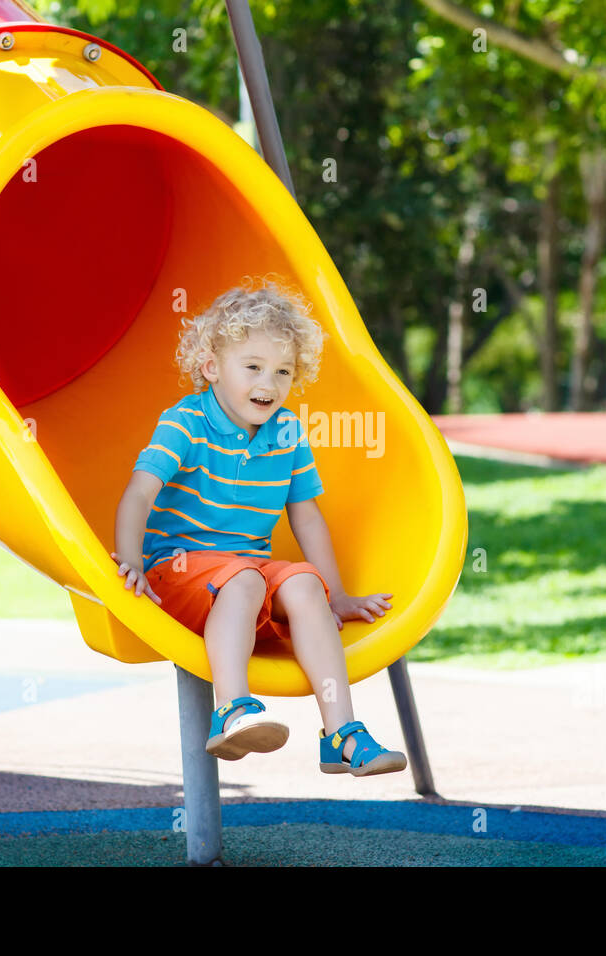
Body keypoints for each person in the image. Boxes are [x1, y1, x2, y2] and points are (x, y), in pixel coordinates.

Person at [112, 275, 406, 776]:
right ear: (211, 368)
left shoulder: (287, 431)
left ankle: (341, 733)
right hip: (177, 576)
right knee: (246, 578)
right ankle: (231, 711)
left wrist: (336, 594)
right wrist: (131, 560)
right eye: (253, 367)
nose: (269, 385)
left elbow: (307, 516)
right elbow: (140, 490)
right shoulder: (185, 423)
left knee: (303, 583)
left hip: (245, 579)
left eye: (284, 371)